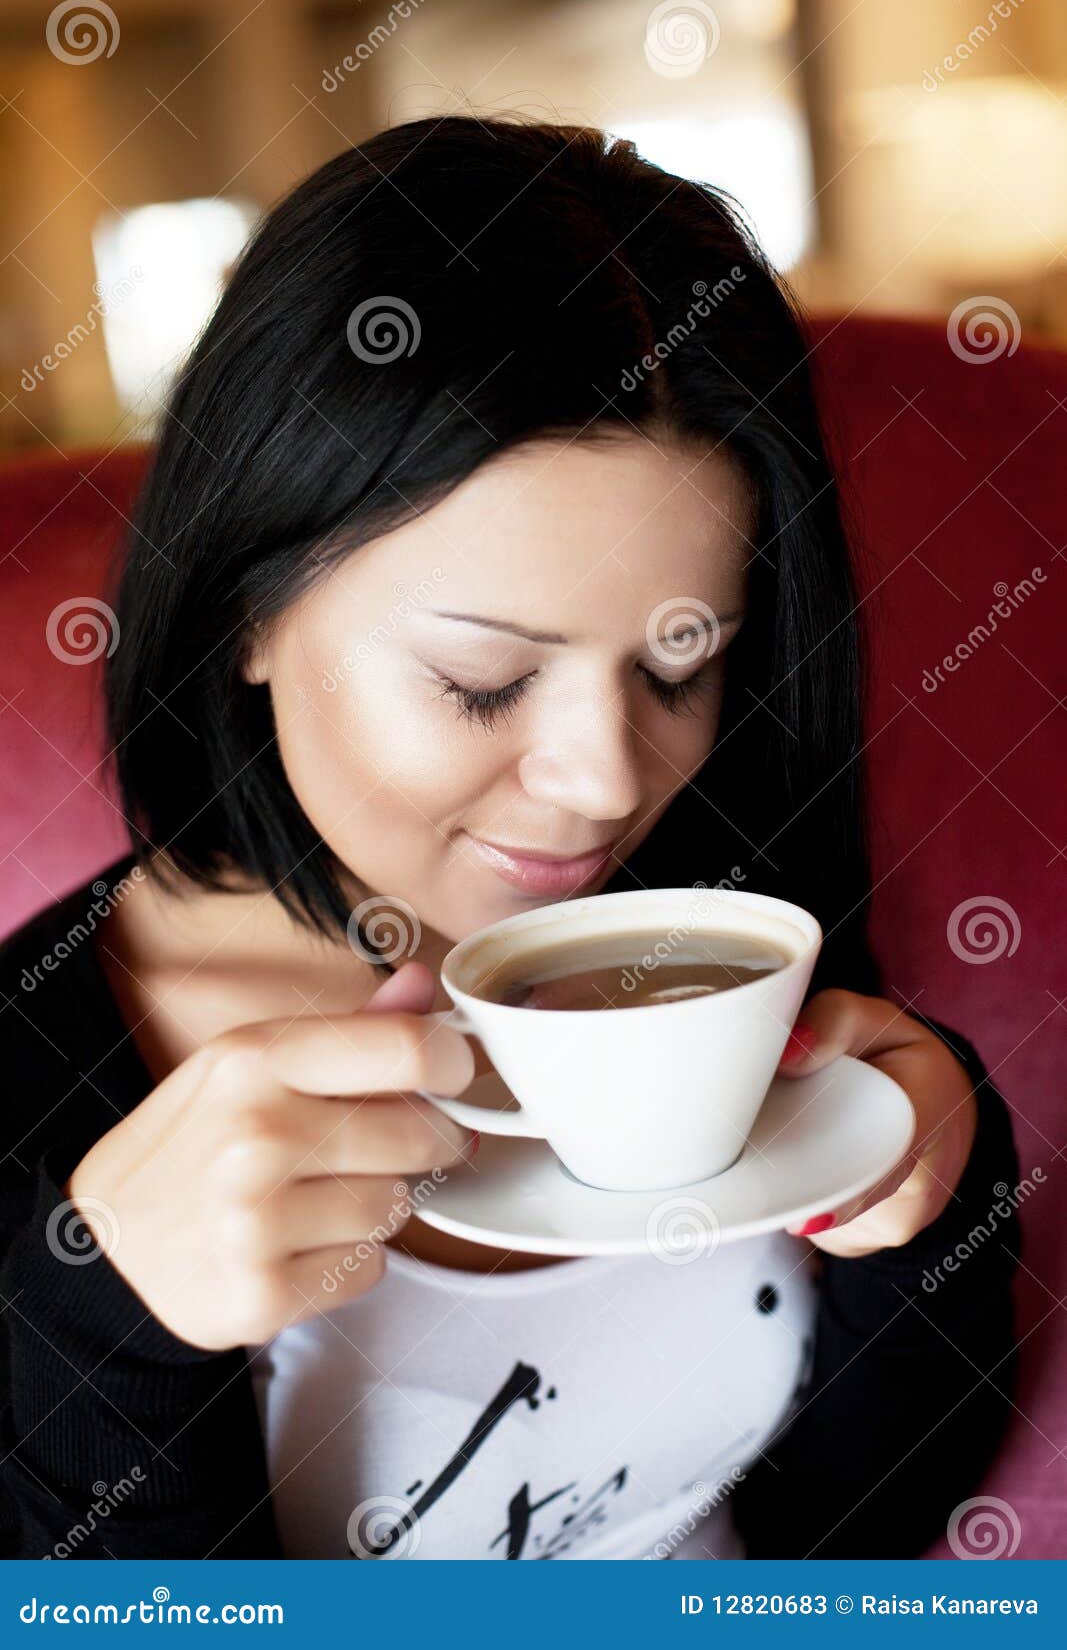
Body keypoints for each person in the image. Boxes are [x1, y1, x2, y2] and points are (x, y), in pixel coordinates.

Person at [0, 118, 1018, 1561]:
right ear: (243, 606)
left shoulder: (715, 918)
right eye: (484, 678)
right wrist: (109, 1336)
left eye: (679, 666)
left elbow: (859, 1531)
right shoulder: (36, 1101)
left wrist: (935, 1195)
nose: (608, 782)